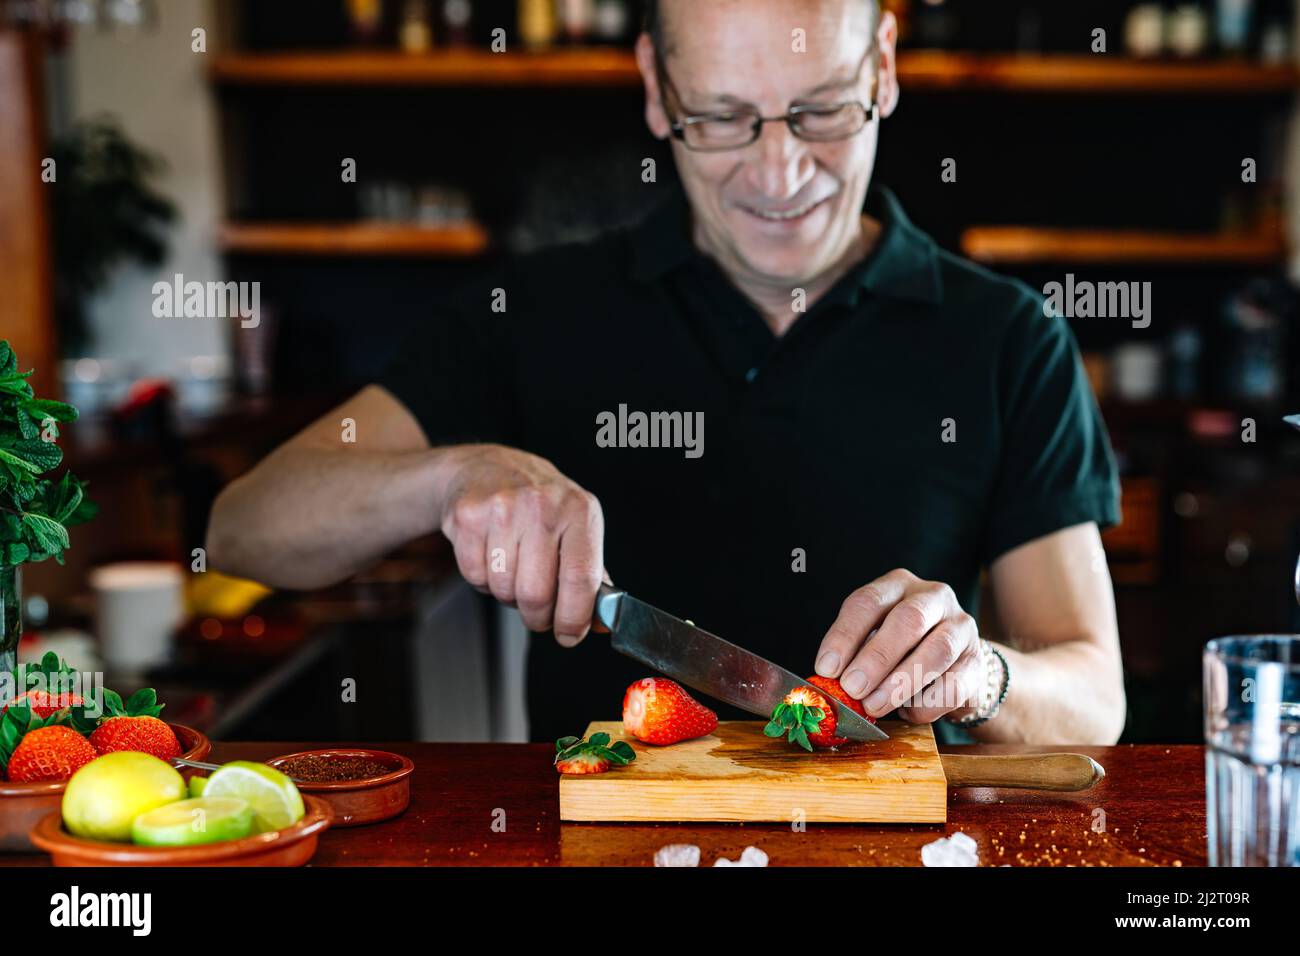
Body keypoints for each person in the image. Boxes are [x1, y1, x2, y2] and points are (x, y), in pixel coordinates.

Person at [206, 0, 1126, 746]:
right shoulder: (533, 312)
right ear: (655, 89)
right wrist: (449, 475)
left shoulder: (1009, 340)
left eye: (822, 108)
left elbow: (1095, 696)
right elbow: (245, 529)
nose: (779, 170)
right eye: (721, 118)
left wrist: (982, 676)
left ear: (884, 64)